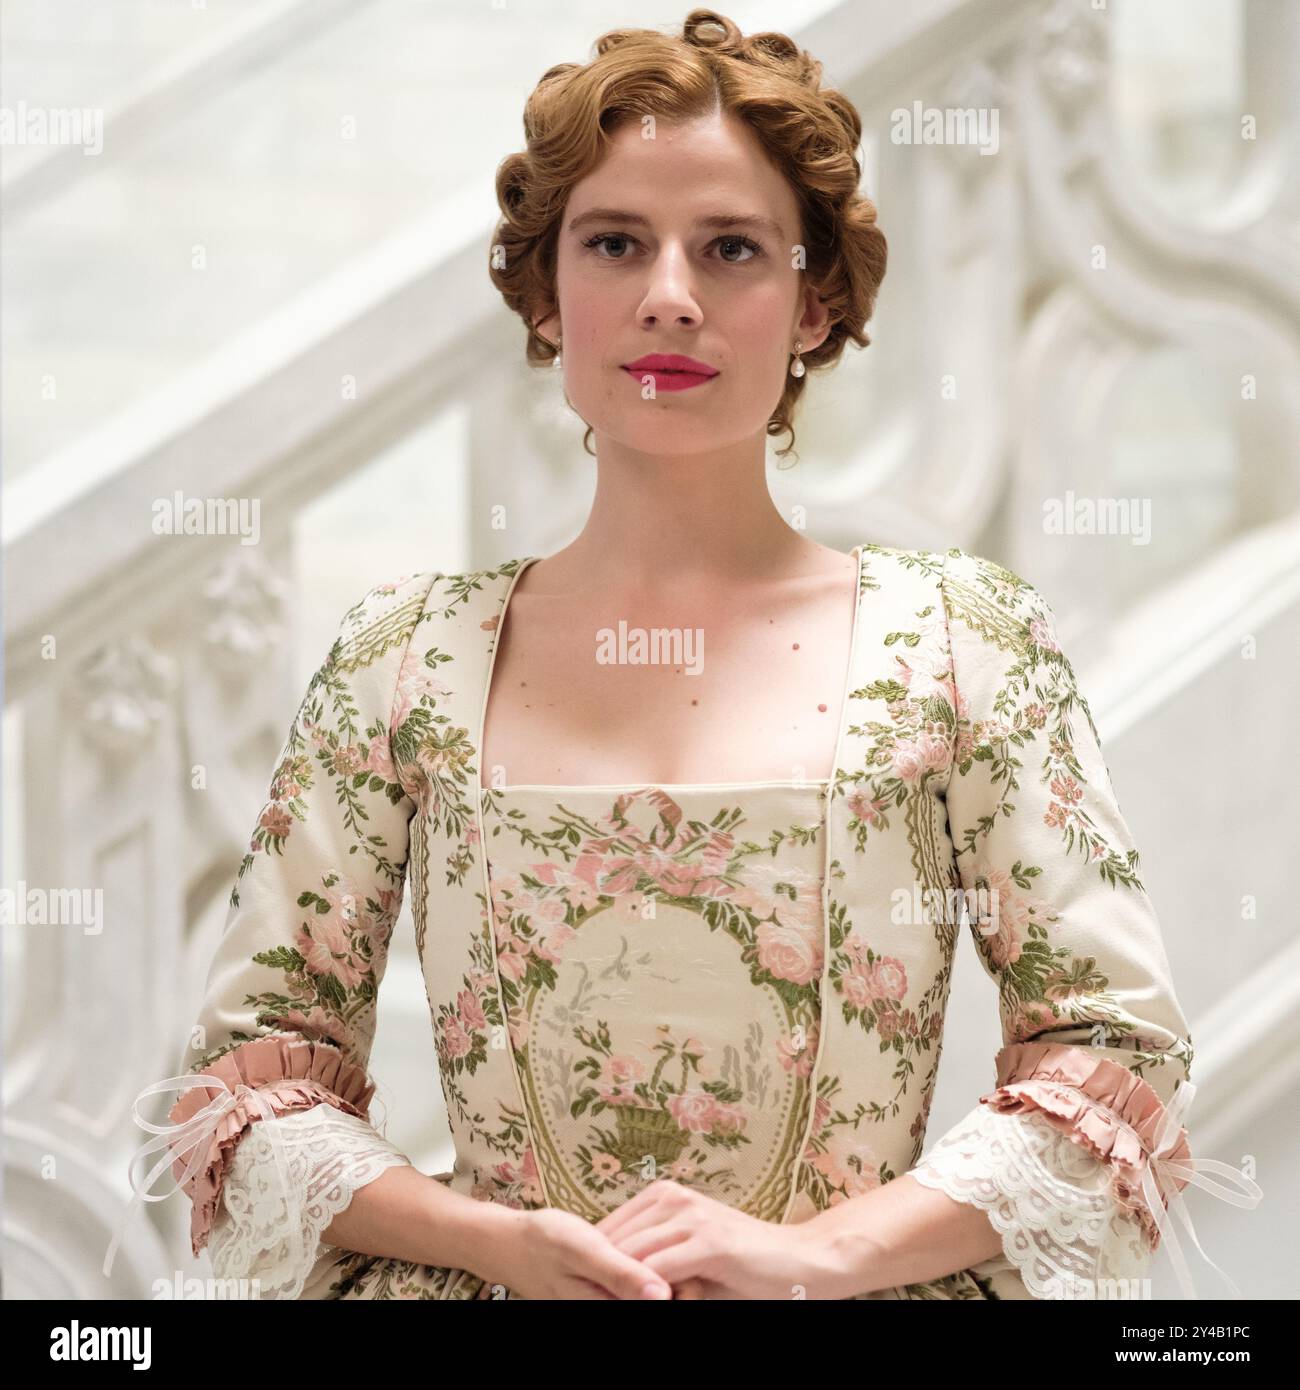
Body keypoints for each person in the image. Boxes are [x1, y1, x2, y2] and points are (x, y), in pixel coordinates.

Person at [106, 8, 1255, 1300]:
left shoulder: (963, 648)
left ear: (815, 300)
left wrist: (817, 1254)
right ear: (547, 294)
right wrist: (501, 1242)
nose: (670, 293)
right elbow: (250, 1084)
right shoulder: (403, 660)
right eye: (614, 243)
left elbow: (1112, 1052)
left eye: (731, 248)